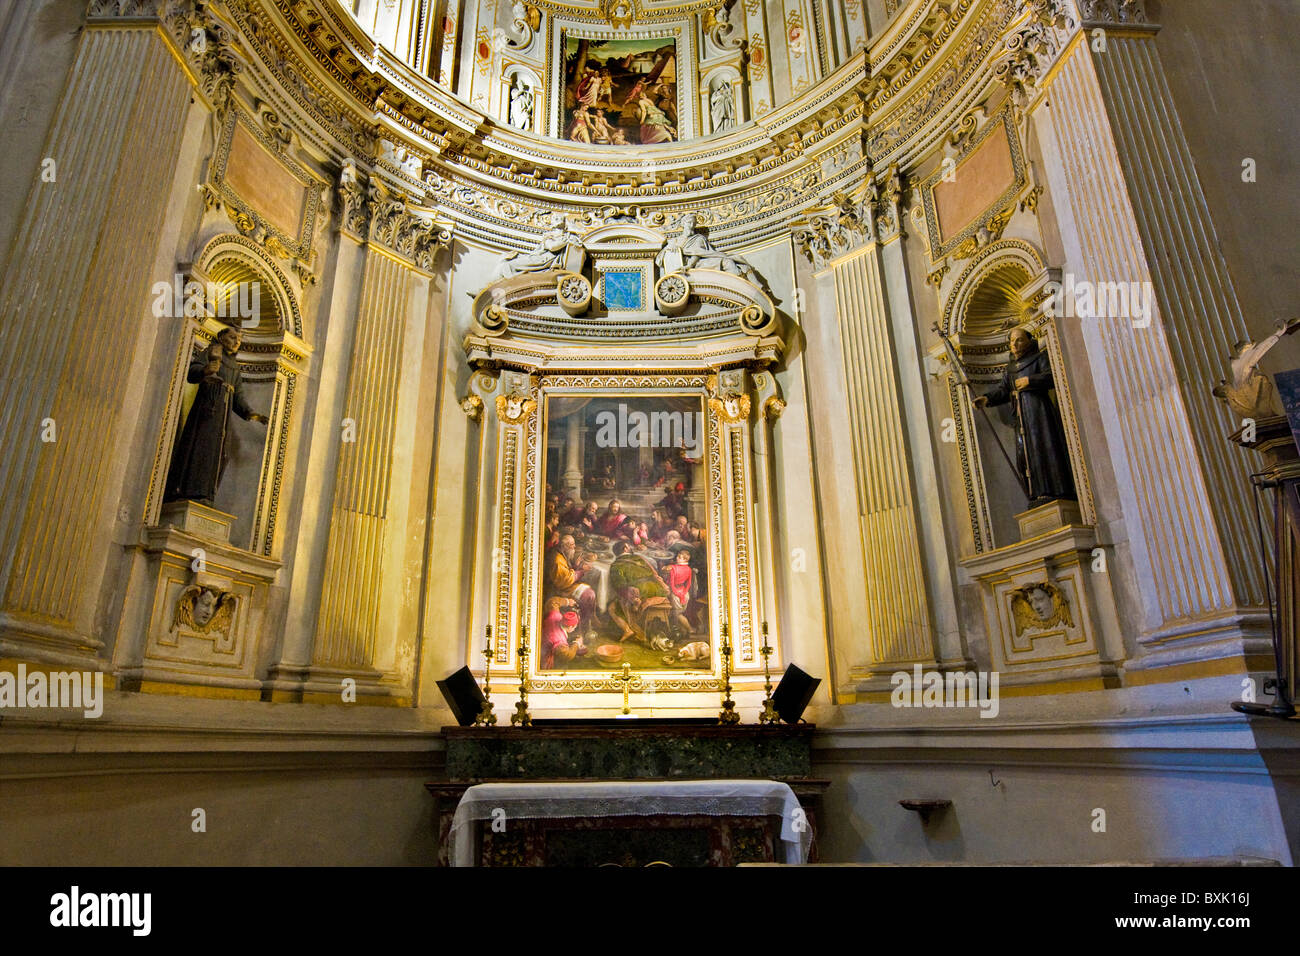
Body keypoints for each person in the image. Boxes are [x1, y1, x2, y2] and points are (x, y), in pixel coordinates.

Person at [165, 326, 268, 504]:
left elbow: (238, 396)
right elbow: (192, 371)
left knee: (219, 452)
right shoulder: (211, 352)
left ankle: (206, 492)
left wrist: (251, 413)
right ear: (221, 337)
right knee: (199, 446)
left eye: (239, 340)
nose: (237, 342)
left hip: (222, 415)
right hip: (206, 410)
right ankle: (188, 490)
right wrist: (206, 370)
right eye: (233, 337)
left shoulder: (235, 368)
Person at [974, 327, 1076, 505]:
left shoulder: (1040, 358)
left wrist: (1031, 381)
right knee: (1026, 454)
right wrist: (987, 399)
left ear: (1029, 340)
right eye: (1012, 341)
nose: (1014, 344)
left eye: (1019, 340)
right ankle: (1036, 492)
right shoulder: (1010, 368)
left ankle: (1057, 490)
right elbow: (1004, 390)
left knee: (1045, 447)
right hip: (1021, 417)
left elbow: (1053, 376)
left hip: (1039, 413)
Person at [543, 534, 597, 636]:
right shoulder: (557, 560)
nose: (574, 547)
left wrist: (576, 566)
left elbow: (567, 572)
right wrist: (581, 571)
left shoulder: (562, 553)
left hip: (565, 585)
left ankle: (589, 621)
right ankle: (583, 627)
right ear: (565, 546)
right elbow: (566, 580)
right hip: (560, 589)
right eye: (572, 545)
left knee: (590, 592)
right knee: (589, 595)